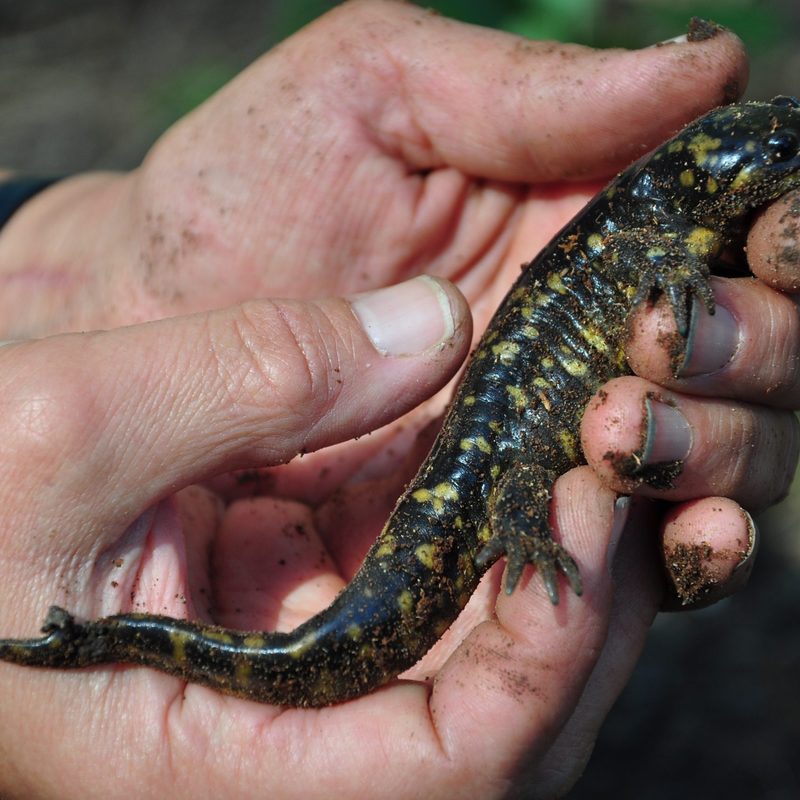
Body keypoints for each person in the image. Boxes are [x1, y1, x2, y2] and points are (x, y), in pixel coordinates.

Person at [0, 1, 797, 797]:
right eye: (784, 147)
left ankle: (102, 638)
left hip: (483, 471)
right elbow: (643, 264)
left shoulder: (670, 215)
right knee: (522, 495)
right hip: (483, 480)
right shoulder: (654, 230)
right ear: (717, 176)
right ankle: (103, 638)